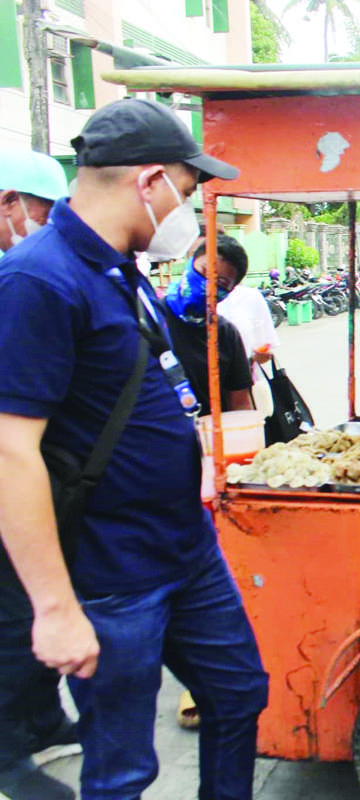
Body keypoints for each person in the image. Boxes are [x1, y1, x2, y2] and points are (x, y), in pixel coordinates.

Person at [0, 97, 268, 799]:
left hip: (185, 550)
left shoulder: (119, 268)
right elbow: (10, 453)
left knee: (239, 694)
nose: (186, 210)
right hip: (112, 575)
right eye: (185, 191)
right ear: (148, 183)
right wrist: (55, 608)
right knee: (123, 768)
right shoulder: (37, 279)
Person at [0, 149, 80, 800]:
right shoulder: (18, 278)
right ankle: (4, 752)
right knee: (9, 611)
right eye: (41, 212)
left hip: (38, 468)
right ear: (9, 205)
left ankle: (44, 717)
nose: (44, 225)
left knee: (32, 601)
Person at [161, 232, 255, 417]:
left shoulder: (226, 334)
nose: (207, 285)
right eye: (204, 272)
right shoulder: (149, 317)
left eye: (220, 282)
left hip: (210, 440)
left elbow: (240, 403)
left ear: (229, 291)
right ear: (190, 263)